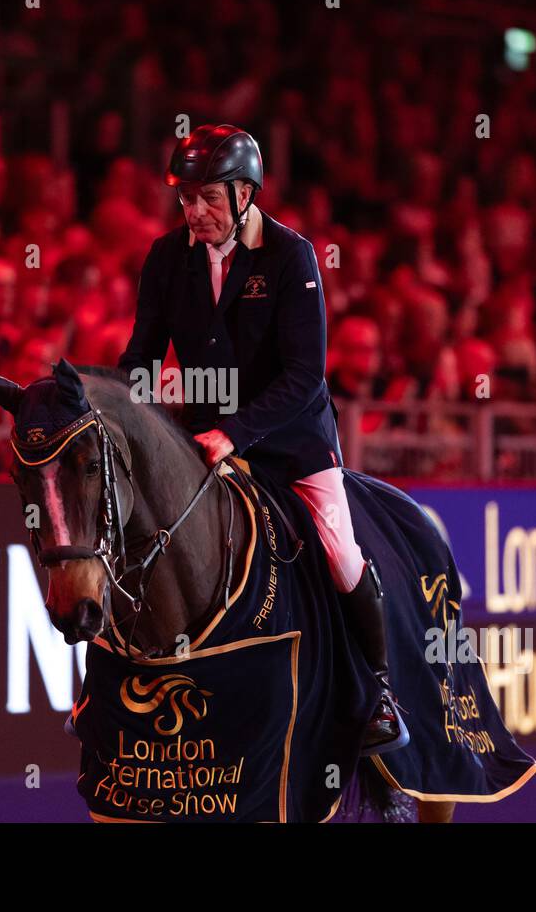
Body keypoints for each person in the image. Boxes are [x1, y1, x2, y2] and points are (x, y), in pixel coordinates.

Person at [118, 124, 406, 755]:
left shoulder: (290, 256)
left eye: (208, 199)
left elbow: (305, 375)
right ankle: (104, 690)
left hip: (289, 442)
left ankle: (378, 693)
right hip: (201, 440)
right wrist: (122, 409)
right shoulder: (168, 258)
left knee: (339, 550)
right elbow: (141, 354)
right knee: (131, 534)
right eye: (186, 200)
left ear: (244, 193)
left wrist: (237, 431)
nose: (194, 213)